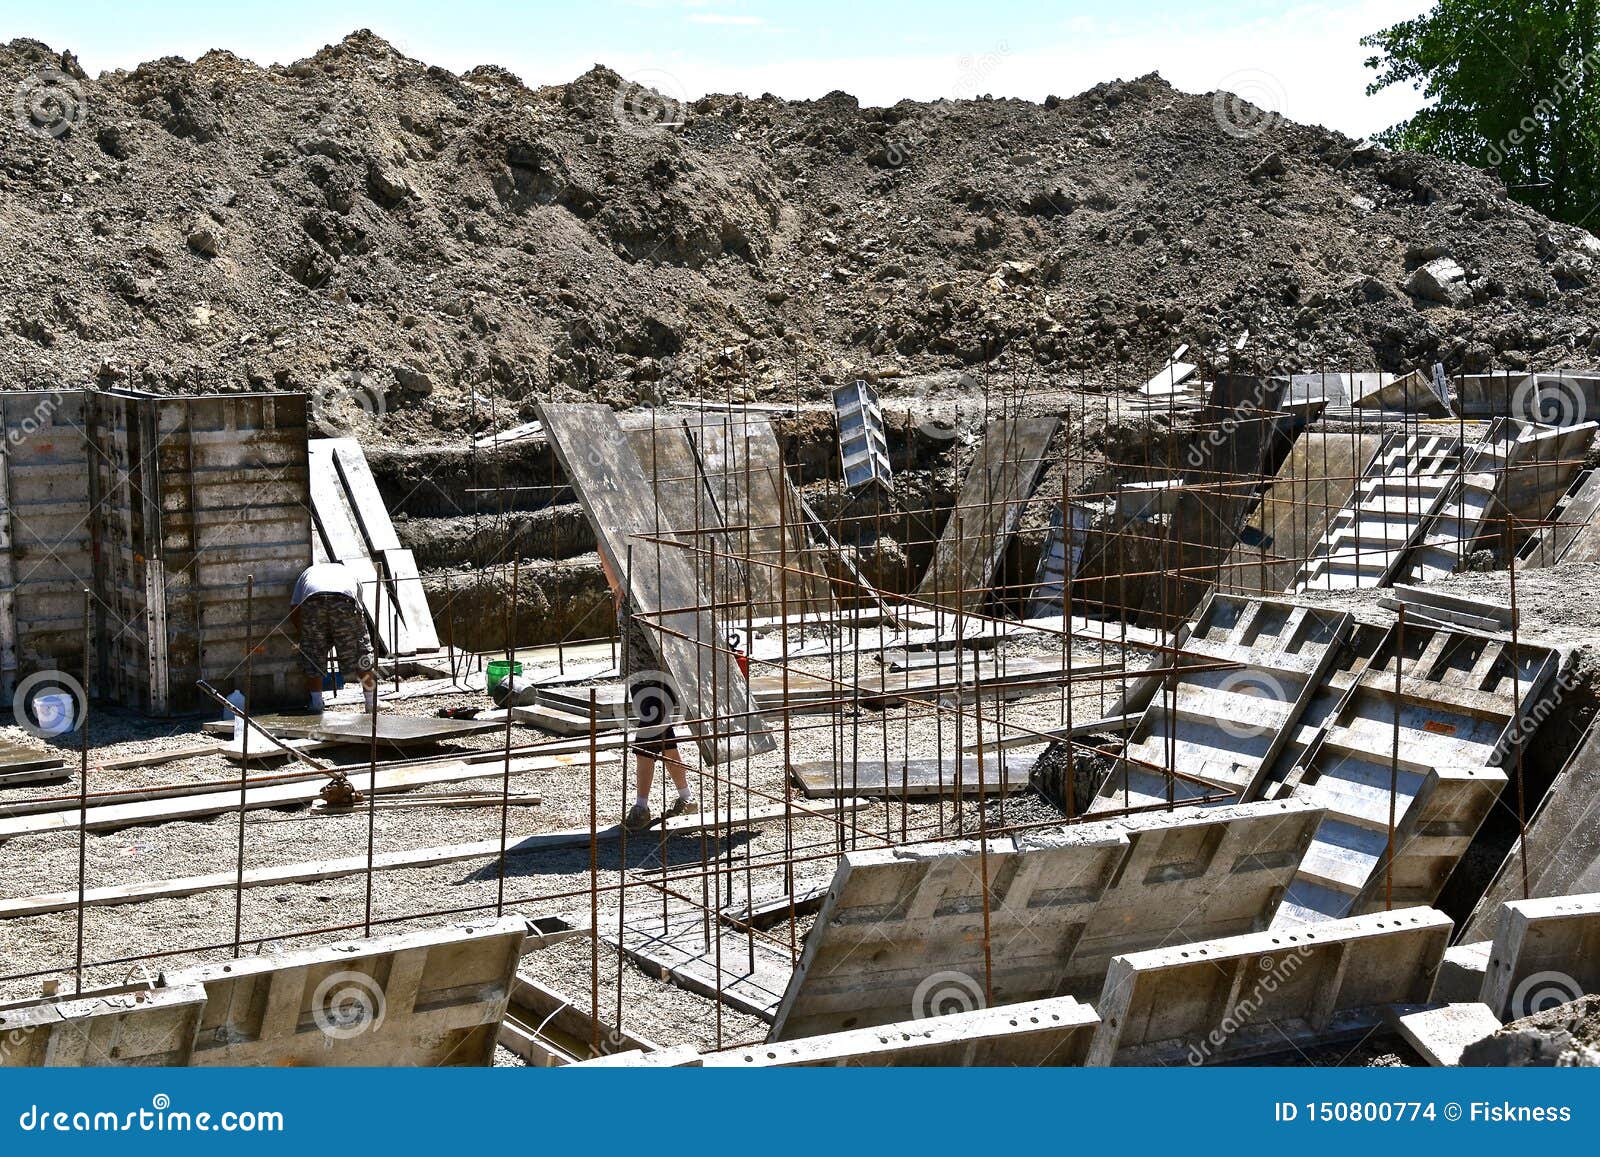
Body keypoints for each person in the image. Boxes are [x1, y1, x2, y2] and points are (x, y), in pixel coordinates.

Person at [599, 554, 697, 831]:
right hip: (639, 678)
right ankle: (686, 797)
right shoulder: (625, 593)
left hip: (659, 676)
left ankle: (641, 807)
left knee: (647, 738)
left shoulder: (655, 598)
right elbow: (607, 560)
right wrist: (603, 549)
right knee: (663, 737)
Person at [290, 561, 377, 713]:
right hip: (343, 600)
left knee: (313, 653)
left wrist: (305, 635)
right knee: (360, 651)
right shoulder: (349, 572)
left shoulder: (308, 573)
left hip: (313, 601)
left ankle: (316, 703)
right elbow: (358, 609)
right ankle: (371, 702)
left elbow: (294, 608)